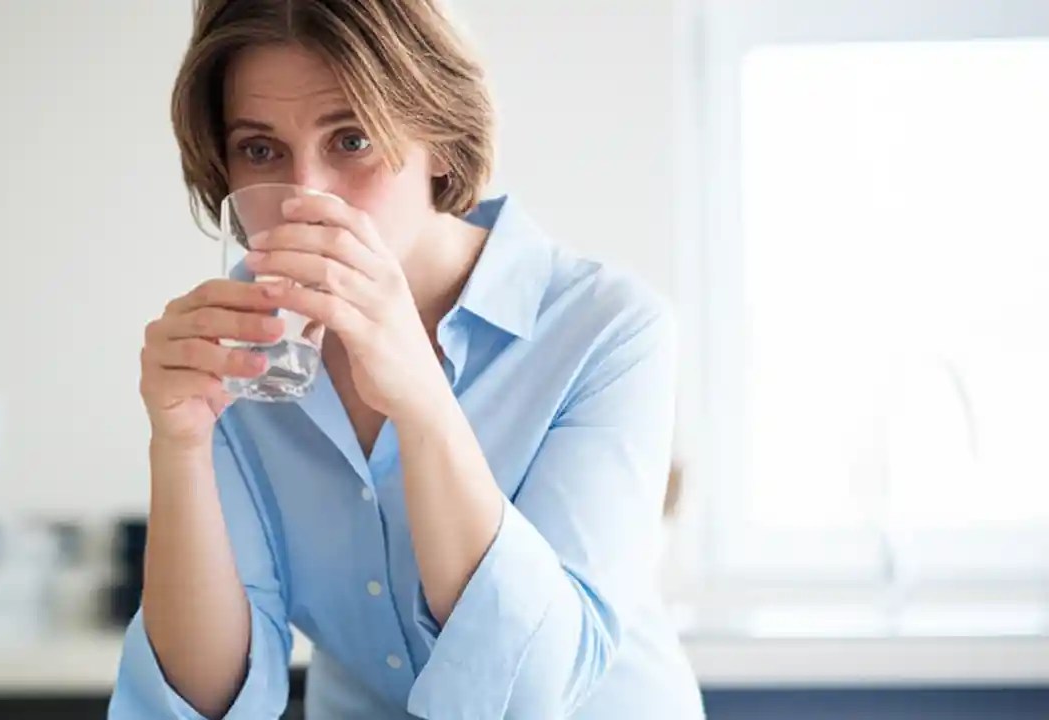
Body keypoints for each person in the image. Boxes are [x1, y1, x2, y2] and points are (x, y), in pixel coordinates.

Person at [109, 0, 704, 717]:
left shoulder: (606, 328)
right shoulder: (242, 344)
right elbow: (209, 702)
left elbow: (535, 689)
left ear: (442, 142)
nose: (305, 197)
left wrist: (421, 401)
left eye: (351, 139)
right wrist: (179, 445)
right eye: (262, 151)